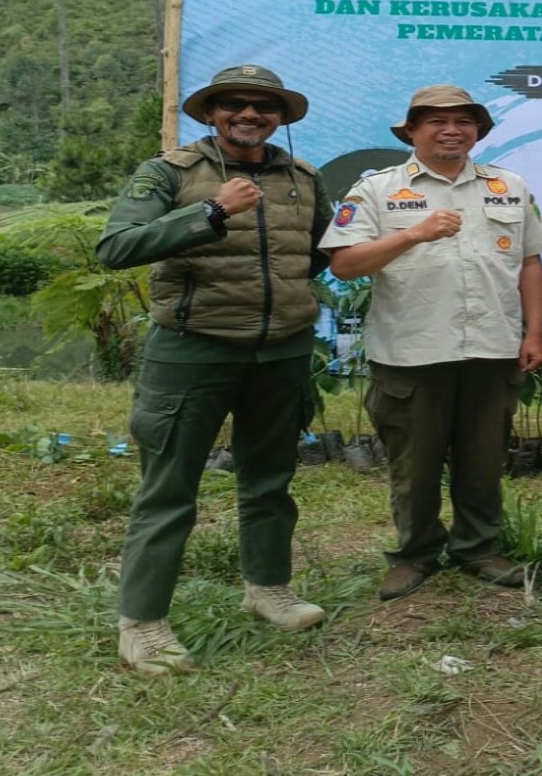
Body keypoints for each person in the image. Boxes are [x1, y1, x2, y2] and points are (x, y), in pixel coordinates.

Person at [97, 64, 333, 674]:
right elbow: (116, 246)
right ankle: (142, 623)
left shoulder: (302, 178)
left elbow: (320, 254)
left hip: (281, 350)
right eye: (235, 104)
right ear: (211, 112)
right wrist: (210, 212)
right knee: (169, 490)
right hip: (191, 351)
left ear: (280, 116)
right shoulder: (169, 173)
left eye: (264, 105)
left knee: (270, 480)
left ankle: (267, 589)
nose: (250, 114)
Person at [322, 85, 542, 601]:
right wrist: (412, 234)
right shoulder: (376, 190)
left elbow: (530, 262)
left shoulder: (508, 185)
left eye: (463, 121)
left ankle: (478, 549)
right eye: (435, 121)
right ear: (411, 131)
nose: (451, 129)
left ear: (478, 131)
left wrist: (534, 332)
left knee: (483, 459)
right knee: (414, 465)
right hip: (411, 352)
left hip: (492, 349)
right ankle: (414, 554)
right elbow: (344, 264)